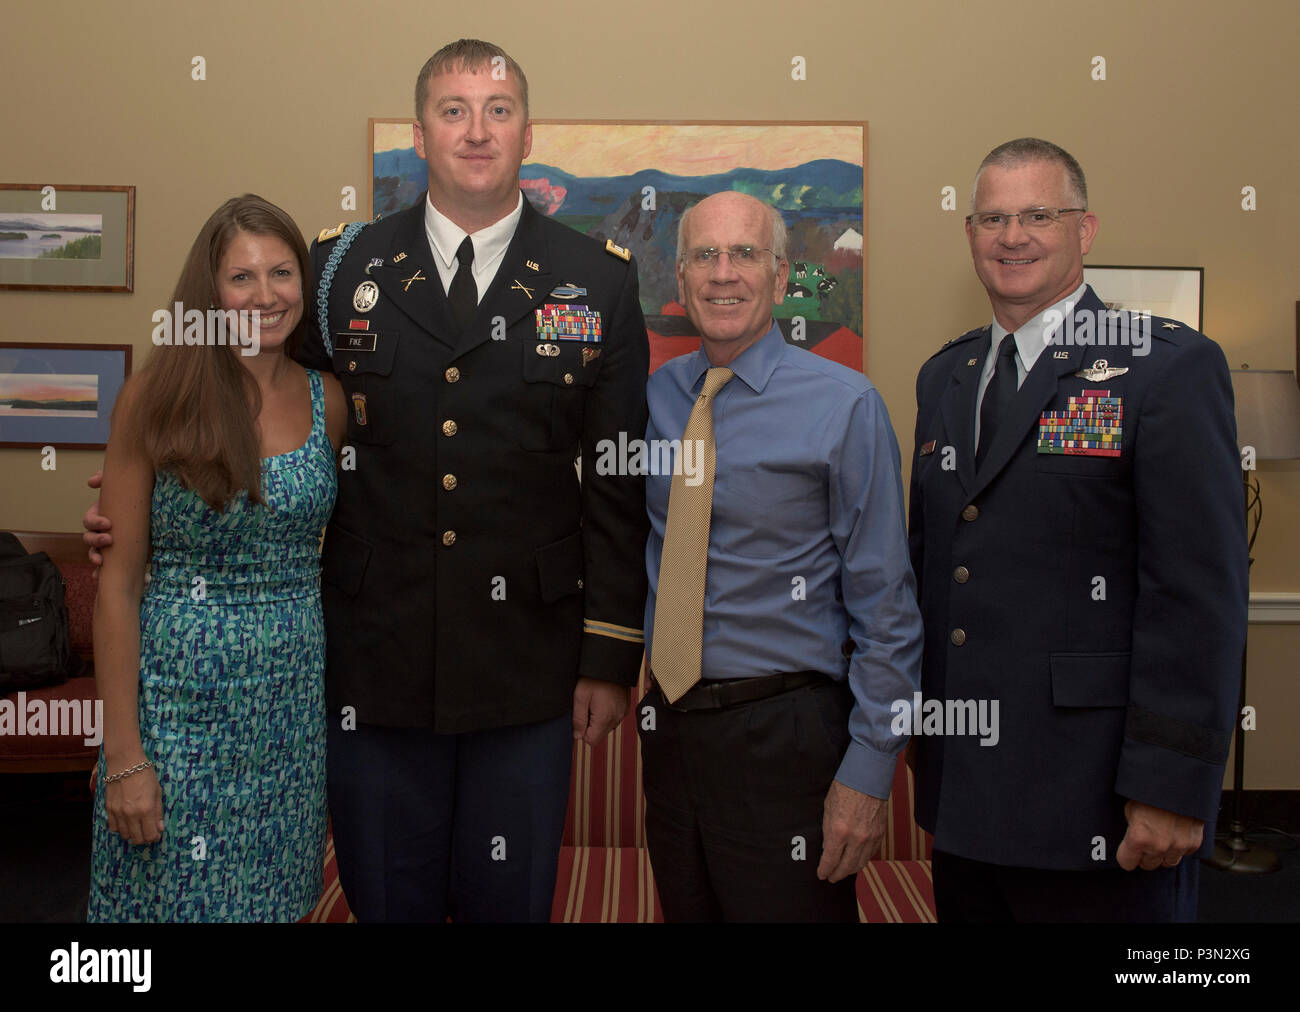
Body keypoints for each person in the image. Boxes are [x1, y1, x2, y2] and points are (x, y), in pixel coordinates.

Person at [85, 40, 651, 922]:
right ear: (419, 134)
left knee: (510, 904)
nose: (475, 130)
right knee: (387, 902)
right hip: (370, 664)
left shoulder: (597, 282)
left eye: (496, 111)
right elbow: (257, 403)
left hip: (527, 667)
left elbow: (616, 483)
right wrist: (146, 496)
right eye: (452, 111)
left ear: (528, 132)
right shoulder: (341, 268)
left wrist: (610, 655)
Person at [908, 137, 1247, 922]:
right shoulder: (945, 377)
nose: (1012, 235)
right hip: (966, 801)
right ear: (969, 236)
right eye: (992, 217)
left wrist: (1169, 785)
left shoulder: (1163, 368)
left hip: (1099, 805)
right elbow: (934, 572)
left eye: (1038, 214)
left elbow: (1199, 594)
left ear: (1084, 231)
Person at [638, 191, 923, 921]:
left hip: (787, 736)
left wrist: (868, 772)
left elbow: (887, 608)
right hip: (669, 733)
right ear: (679, 278)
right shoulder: (656, 401)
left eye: (744, 254)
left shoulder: (845, 406)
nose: (723, 273)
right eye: (705, 255)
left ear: (781, 274)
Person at [88, 194, 346, 921]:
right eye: (242, 277)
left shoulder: (332, 400)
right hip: (175, 719)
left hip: (289, 723)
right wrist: (126, 758)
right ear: (209, 291)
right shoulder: (155, 399)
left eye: (282, 272)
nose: (265, 295)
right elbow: (119, 583)